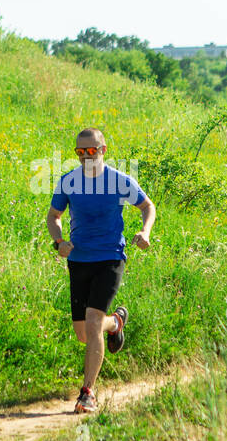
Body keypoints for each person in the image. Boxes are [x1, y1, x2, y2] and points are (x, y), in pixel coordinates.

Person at [45, 127, 155, 413]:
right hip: (79, 260)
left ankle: (87, 393)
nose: (85, 157)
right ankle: (116, 322)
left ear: (103, 150)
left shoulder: (120, 181)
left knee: (93, 322)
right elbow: (54, 216)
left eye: (91, 151)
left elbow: (147, 207)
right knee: (84, 333)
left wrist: (145, 231)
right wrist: (59, 242)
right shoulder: (68, 181)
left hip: (110, 258)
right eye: (80, 152)